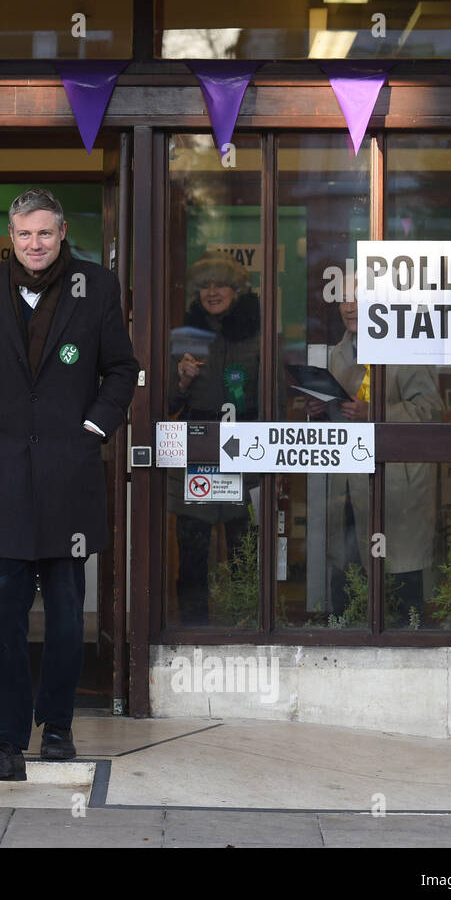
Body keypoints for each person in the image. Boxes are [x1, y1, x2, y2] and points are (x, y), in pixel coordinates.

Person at [0, 188, 138, 780]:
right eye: (25, 234)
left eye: (46, 234)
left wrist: (94, 426)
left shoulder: (97, 287)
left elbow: (122, 368)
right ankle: (2, 742)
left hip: (69, 475)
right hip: (0, 475)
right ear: (11, 235)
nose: (35, 244)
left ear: (61, 235)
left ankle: (57, 727)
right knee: (1, 614)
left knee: (63, 613)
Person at [308, 296, 442, 622]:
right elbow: (345, 411)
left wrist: (375, 413)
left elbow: (432, 410)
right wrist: (321, 409)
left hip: (395, 482)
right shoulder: (340, 351)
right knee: (349, 569)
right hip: (349, 482)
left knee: (399, 573)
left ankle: (406, 648)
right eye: (342, 300)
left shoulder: (405, 347)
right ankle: (345, 645)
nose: (348, 307)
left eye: (357, 300)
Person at [167, 253, 261, 625]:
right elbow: (166, 403)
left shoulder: (259, 336)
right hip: (197, 452)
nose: (212, 292)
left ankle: (245, 623)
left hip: (249, 452)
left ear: (237, 291)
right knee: (192, 549)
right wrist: (182, 381)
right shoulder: (183, 337)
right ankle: (193, 627)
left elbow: (275, 402)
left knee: (243, 548)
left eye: (220, 285)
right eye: (205, 286)